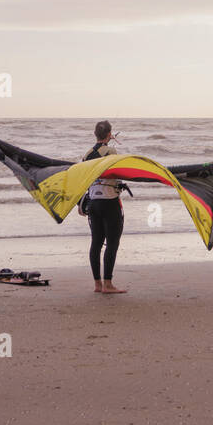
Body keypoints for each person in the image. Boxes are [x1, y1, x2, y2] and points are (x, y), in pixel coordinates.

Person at [81, 121, 127, 295]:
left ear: (95, 134)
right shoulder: (111, 151)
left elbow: (84, 177)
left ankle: (97, 284)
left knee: (96, 242)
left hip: (93, 203)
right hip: (109, 202)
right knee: (112, 243)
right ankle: (108, 284)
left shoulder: (86, 154)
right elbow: (115, 172)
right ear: (109, 134)